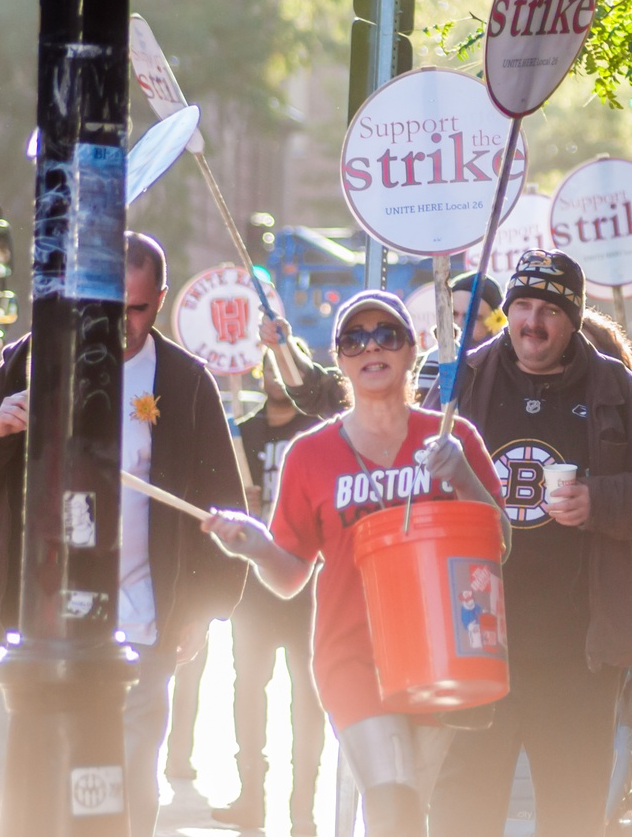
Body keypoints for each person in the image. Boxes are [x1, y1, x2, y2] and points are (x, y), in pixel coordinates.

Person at [0, 231, 248, 837]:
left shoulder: (184, 381)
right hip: (29, 620)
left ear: (161, 301)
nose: (119, 323)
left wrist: (201, 610)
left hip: (141, 622)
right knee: (3, 774)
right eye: (104, 307)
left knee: (118, 785)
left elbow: (220, 502)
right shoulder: (30, 360)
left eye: (137, 309)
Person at [202, 290, 506, 836]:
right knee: (392, 802)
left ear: (412, 349)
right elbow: (291, 574)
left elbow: (500, 540)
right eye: (354, 338)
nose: (372, 347)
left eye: (387, 335)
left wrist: (462, 477)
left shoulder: (454, 437)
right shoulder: (310, 454)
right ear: (339, 358)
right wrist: (251, 545)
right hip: (353, 654)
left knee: (409, 806)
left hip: (443, 651)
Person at [427, 249, 632, 837]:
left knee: (571, 814)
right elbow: (412, 489)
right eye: (521, 305)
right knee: (461, 811)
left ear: (573, 318)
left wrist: (600, 501)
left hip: (580, 650)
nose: (532, 322)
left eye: (548, 309)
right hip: (479, 644)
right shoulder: (461, 381)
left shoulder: (613, 385)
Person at [211, 350, 328, 834]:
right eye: (269, 368)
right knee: (248, 693)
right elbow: (216, 501)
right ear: (259, 374)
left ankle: (304, 810)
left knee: (309, 697)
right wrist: (242, 504)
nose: (277, 377)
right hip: (254, 591)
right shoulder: (241, 431)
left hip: (308, 589)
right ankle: (251, 799)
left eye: (285, 368)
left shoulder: (317, 434)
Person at [416, 273, 506, 401]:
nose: (458, 323)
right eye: (453, 314)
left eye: (472, 317)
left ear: (495, 323)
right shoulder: (420, 365)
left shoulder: (506, 370)